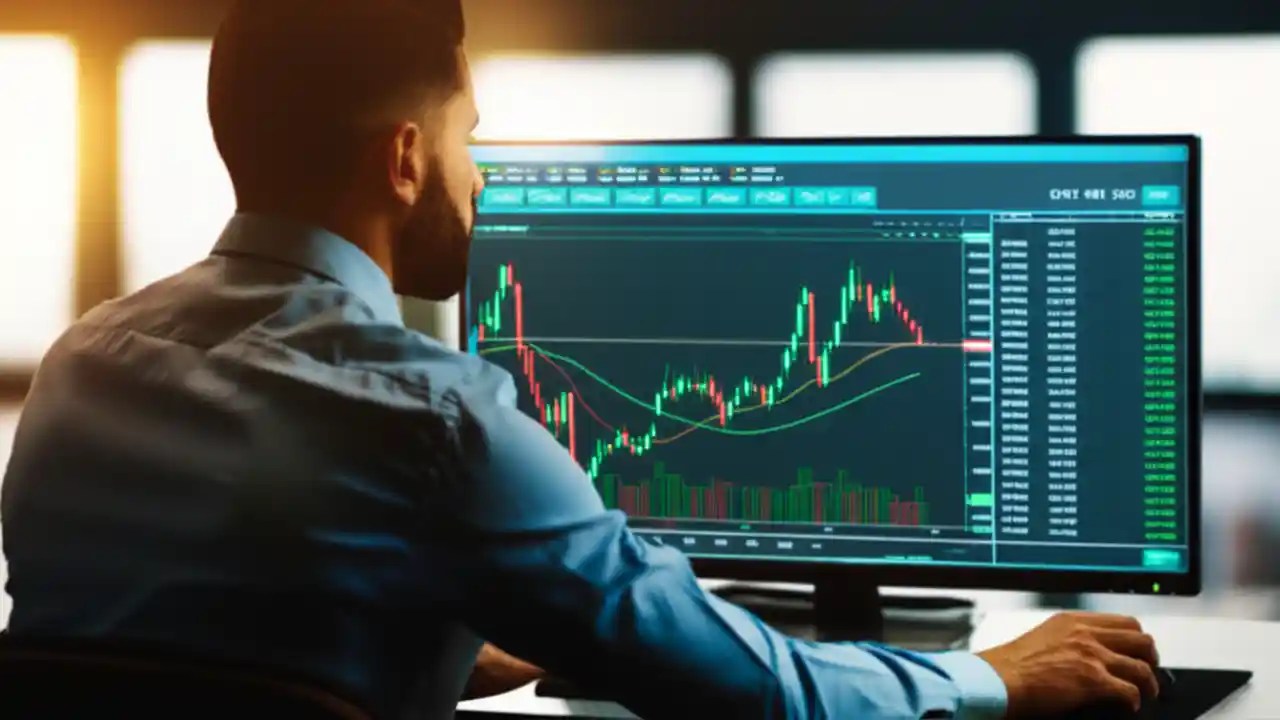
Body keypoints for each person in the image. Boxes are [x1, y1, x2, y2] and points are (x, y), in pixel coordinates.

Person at [1, 1, 1161, 718]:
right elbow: (751, 692)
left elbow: (153, 657)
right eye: (466, 144)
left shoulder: (80, 371)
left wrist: (425, 644)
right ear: (405, 156)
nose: (481, 181)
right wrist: (994, 678)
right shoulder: (441, 421)